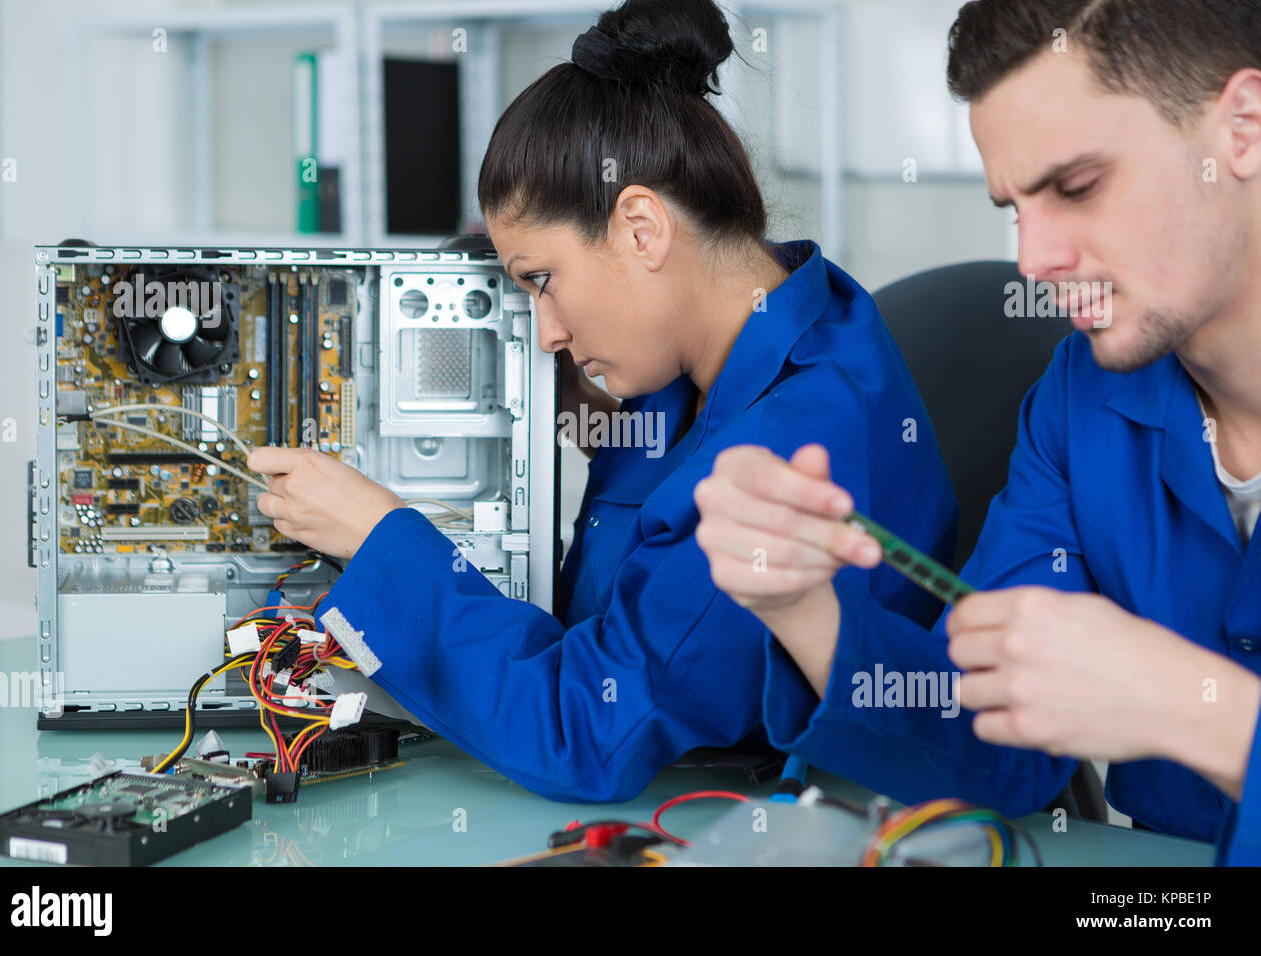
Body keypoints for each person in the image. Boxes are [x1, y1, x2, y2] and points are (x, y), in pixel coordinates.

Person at [246, 0, 955, 801]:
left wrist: (379, 542)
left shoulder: (792, 446)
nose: (546, 332)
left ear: (643, 228)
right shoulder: (744, 335)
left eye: (542, 281)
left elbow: (585, 728)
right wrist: (585, 423)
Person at [693, 0, 1261, 864]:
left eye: (1077, 187)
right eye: (1015, 207)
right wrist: (803, 607)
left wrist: (1193, 708)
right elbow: (995, 743)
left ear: (1243, 130)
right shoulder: (1077, 401)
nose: (1033, 260)